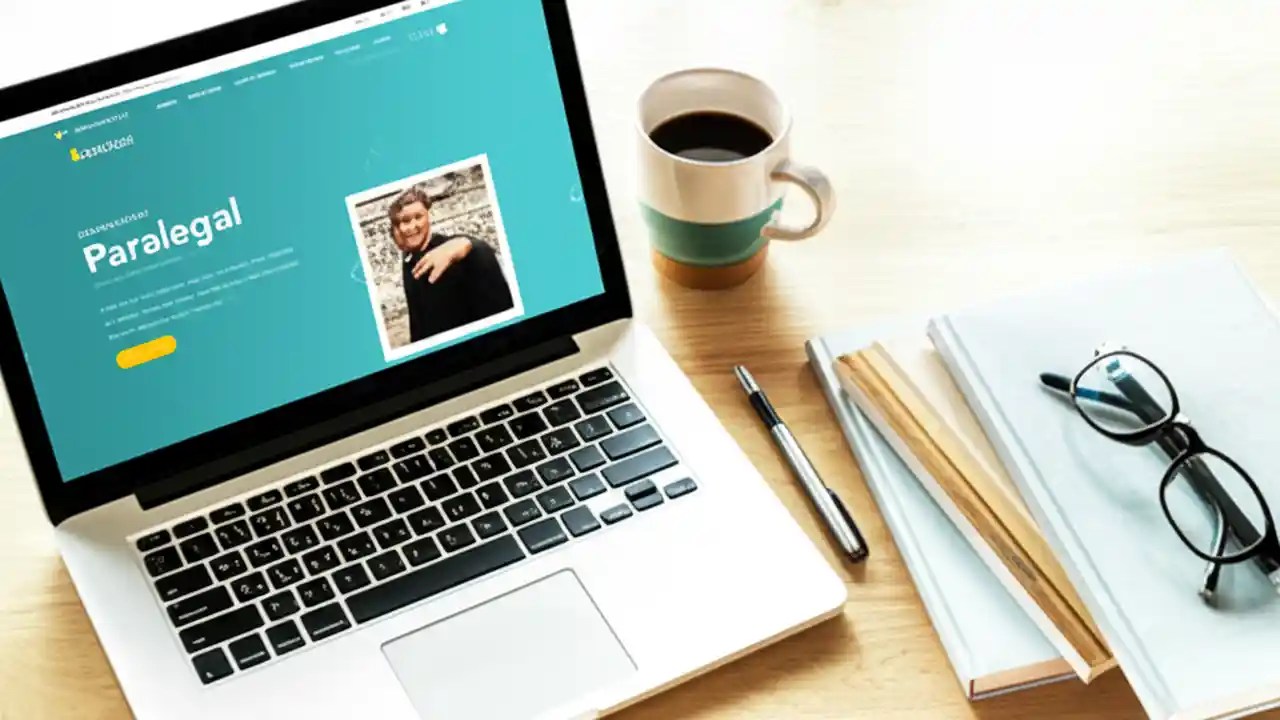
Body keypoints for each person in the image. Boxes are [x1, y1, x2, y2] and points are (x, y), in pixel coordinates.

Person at [386, 187, 515, 344]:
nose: (411, 227)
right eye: (403, 221)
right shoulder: (408, 258)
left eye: (418, 217)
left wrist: (469, 245)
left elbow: (479, 251)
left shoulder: (450, 250)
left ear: (429, 217)